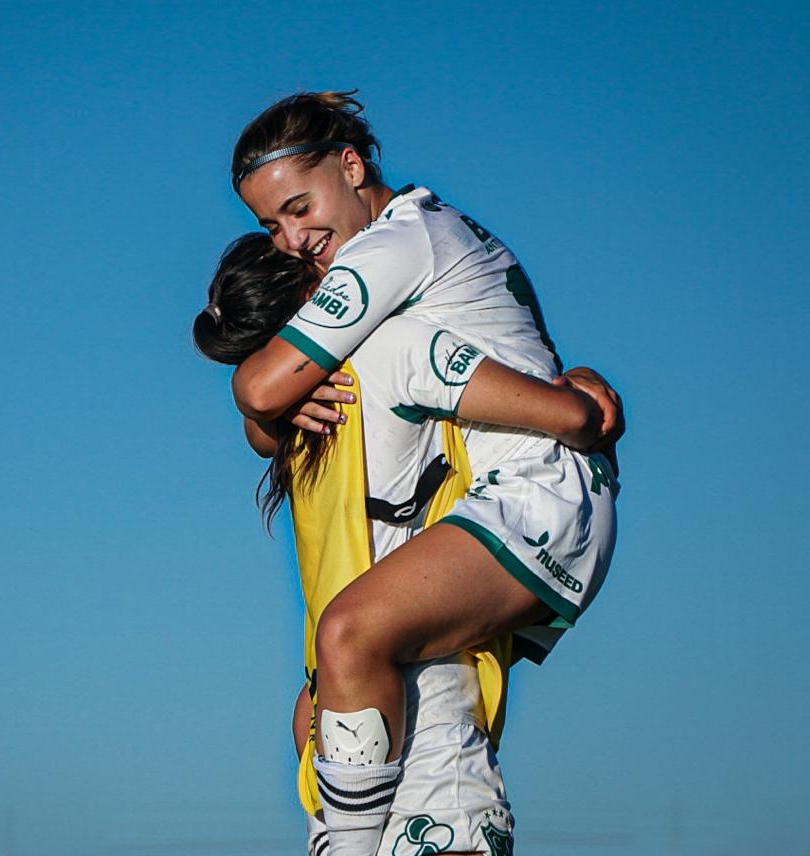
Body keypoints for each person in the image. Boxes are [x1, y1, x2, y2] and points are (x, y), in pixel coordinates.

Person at [226, 91, 620, 855]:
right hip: (533, 492)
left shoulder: (393, 246)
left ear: (352, 166)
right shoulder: (427, 243)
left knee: (350, 635)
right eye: (272, 226)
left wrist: (580, 403)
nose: (295, 240)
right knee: (329, 688)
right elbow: (263, 422)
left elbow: (259, 389)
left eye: (300, 208)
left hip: (537, 491)